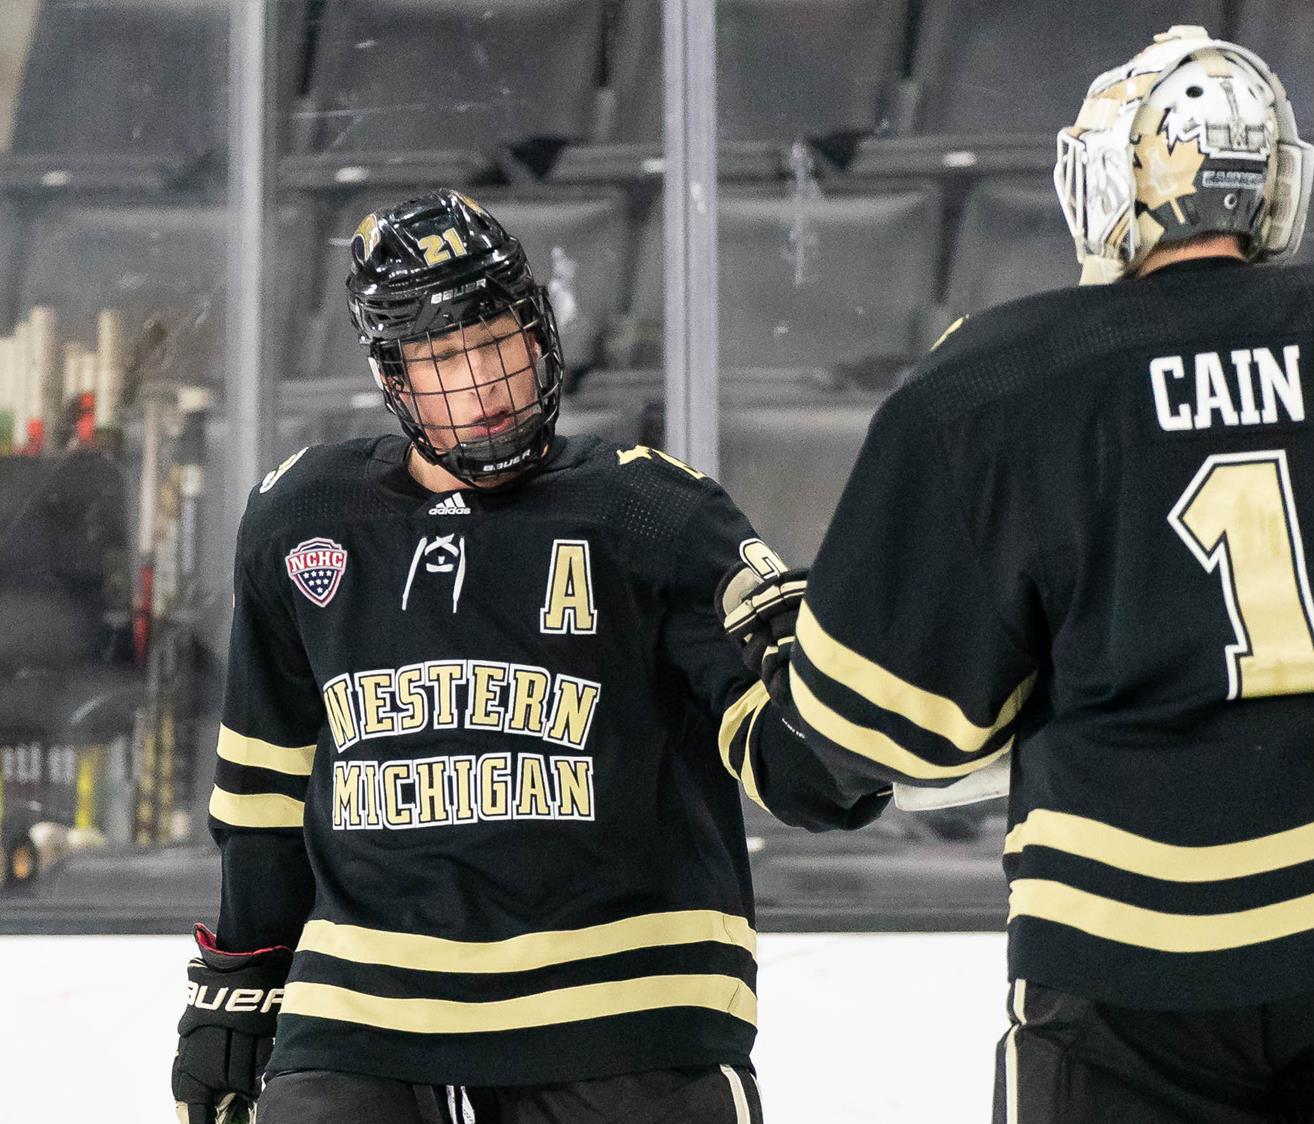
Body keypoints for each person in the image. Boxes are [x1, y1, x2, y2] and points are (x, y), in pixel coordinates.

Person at [716, 26, 1314, 1124]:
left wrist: (784, 704)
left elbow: (876, 732)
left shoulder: (984, 392)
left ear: (1101, 184)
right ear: (1270, 184)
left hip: (1128, 965)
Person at [169, 189, 880, 1124]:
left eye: (497, 342)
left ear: (539, 332)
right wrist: (238, 986)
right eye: (442, 359)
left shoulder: (655, 516)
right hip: (362, 1027)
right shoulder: (303, 520)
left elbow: (811, 782)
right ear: (391, 376)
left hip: (629, 1016)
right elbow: (263, 798)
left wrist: (841, 681)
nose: (484, 384)